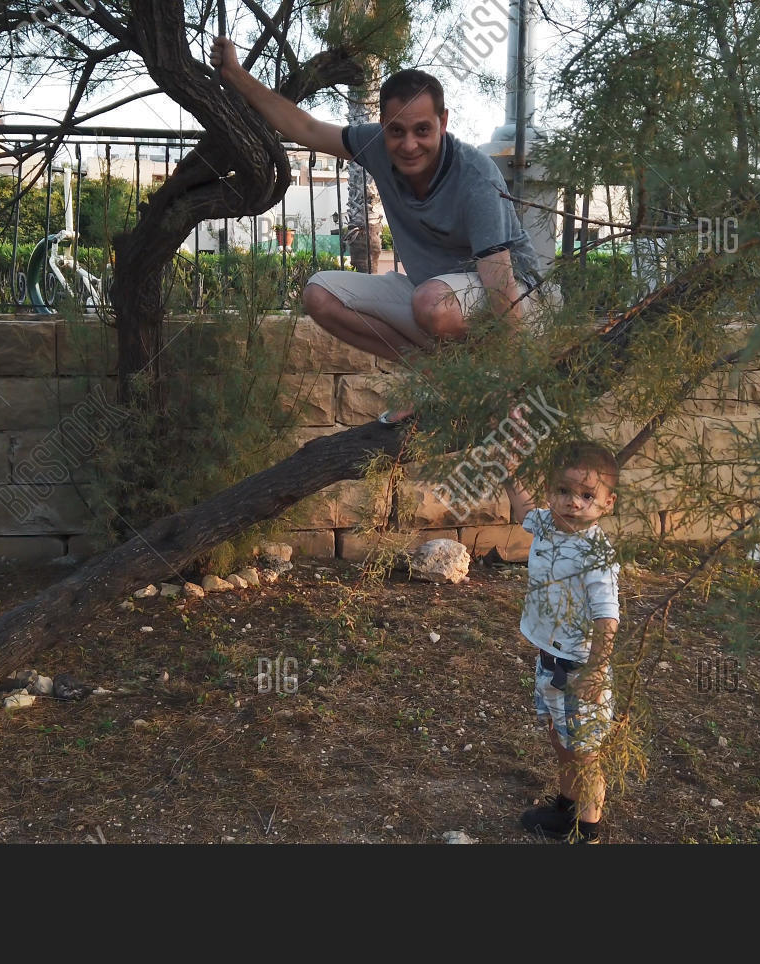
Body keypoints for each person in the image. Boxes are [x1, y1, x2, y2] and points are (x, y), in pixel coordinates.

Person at [211, 38, 554, 422]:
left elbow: (498, 278)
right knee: (319, 295)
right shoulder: (373, 145)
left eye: (422, 130)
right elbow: (304, 126)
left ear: (443, 122)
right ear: (383, 127)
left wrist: (513, 380)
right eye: (396, 131)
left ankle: (479, 379)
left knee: (432, 301)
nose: (409, 145)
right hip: (435, 298)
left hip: (519, 301)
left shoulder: (475, 176)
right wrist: (236, 75)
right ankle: (432, 375)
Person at [504, 440, 620, 843]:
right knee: (561, 739)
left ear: (607, 503)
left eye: (587, 495)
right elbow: (523, 511)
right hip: (550, 659)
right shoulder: (546, 525)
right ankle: (567, 807)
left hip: (578, 668)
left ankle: (587, 829)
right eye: (564, 491)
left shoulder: (595, 556)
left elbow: (607, 618)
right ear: (550, 491)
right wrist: (509, 474)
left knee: (585, 751)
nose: (573, 502)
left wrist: (596, 670)